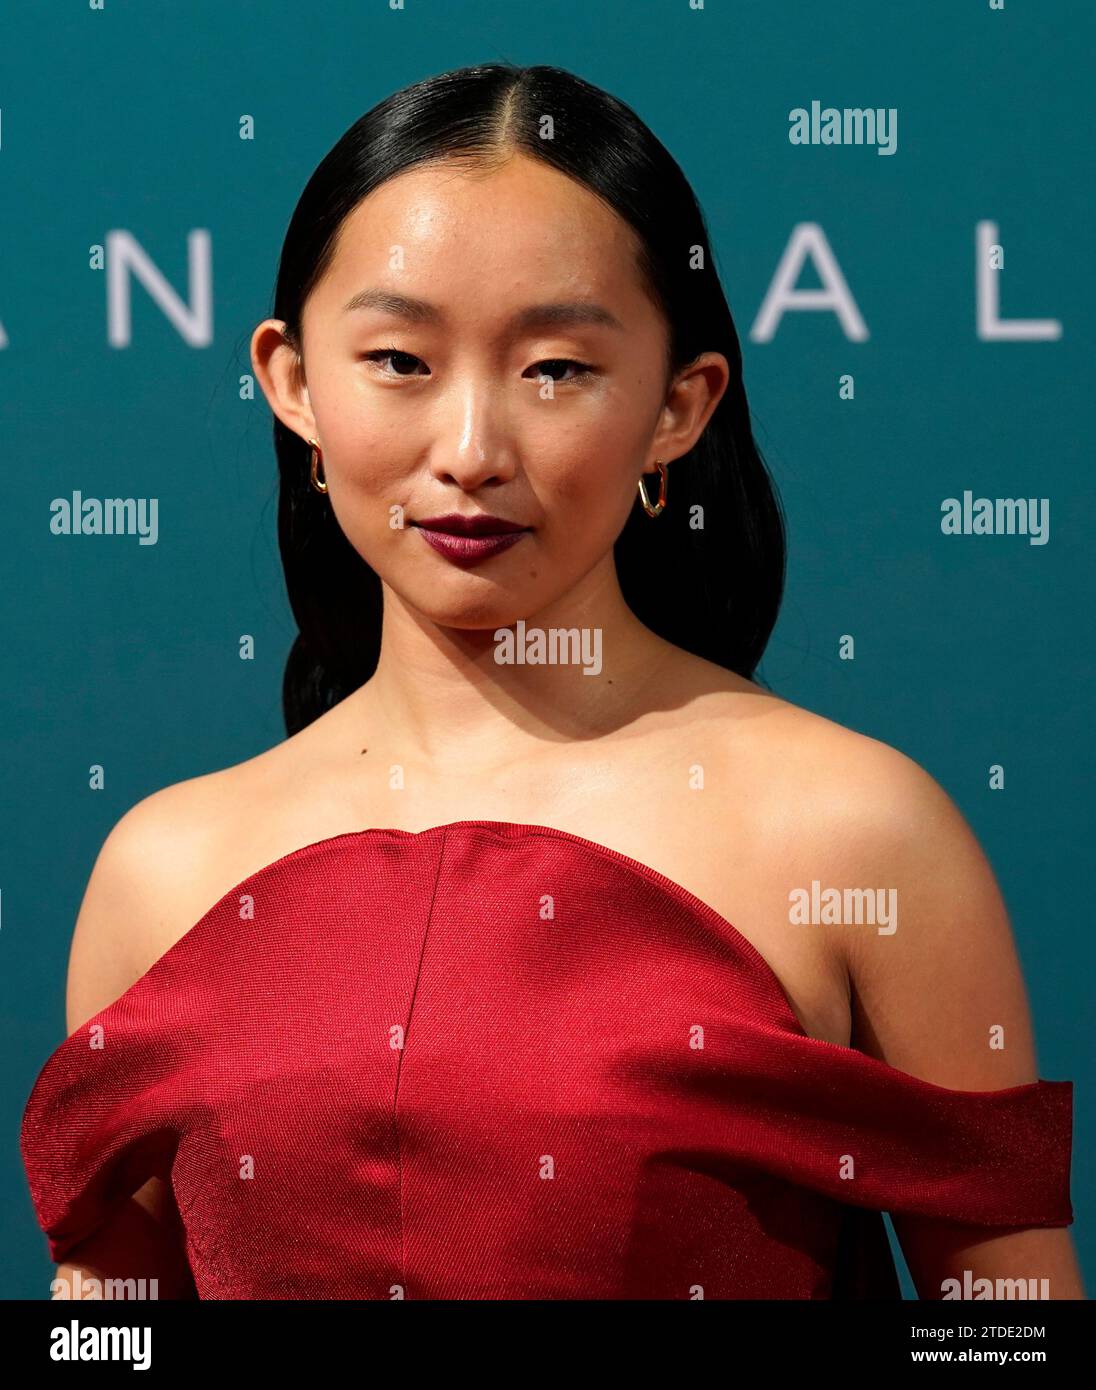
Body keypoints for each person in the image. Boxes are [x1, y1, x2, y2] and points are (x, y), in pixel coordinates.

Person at [21, 62, 1079, 1300]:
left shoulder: (858, 833)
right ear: (294, 382)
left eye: (557, 370)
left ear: (679, 406)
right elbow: (101, 1328)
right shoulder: (165, 872)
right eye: (400, 359)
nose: (470, 452)